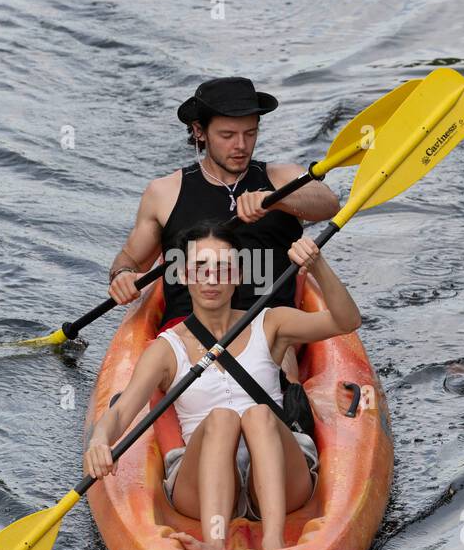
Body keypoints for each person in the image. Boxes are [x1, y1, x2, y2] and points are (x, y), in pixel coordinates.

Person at [84, 220, 362, 550]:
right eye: (200, 267)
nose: (211, 278)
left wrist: (318, 263)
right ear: (184, 275)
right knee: (221, 419)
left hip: (279, 475)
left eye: (222, 268)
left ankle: (274, 540)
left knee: (258, 415)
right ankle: (214, 540)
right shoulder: (166, 349)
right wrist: (99, 441)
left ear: (239, 275)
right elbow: (122, 411)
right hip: (202, 482)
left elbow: (346, 322)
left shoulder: (270, 322)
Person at [106, 78, 340, 369]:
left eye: (250, 133)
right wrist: (123, 275)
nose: (241, 146)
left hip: (270, 329)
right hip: (188, 330)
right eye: (227, 135)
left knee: (276, 365)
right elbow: (130, 259)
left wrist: (276, 200)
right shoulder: (164, 193)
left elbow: (328, 205)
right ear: (199, 131)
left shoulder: (281, 178)